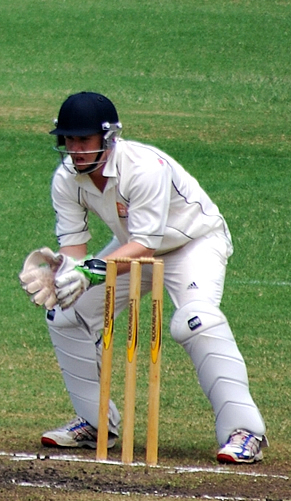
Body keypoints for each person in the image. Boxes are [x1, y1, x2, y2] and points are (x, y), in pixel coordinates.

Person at [18, 91, 267, 464]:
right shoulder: (67, 178)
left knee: (193, 321)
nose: (75, 149)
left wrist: (88, 272)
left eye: (83, 140)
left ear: (108, 137)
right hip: (130, 247)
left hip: (192, 242)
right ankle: (95, 422)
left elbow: (147, 243)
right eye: (68, 140)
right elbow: (75, 251)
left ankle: (245, 431)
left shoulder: (144, 167)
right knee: (64, 313)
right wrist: (61, 274)